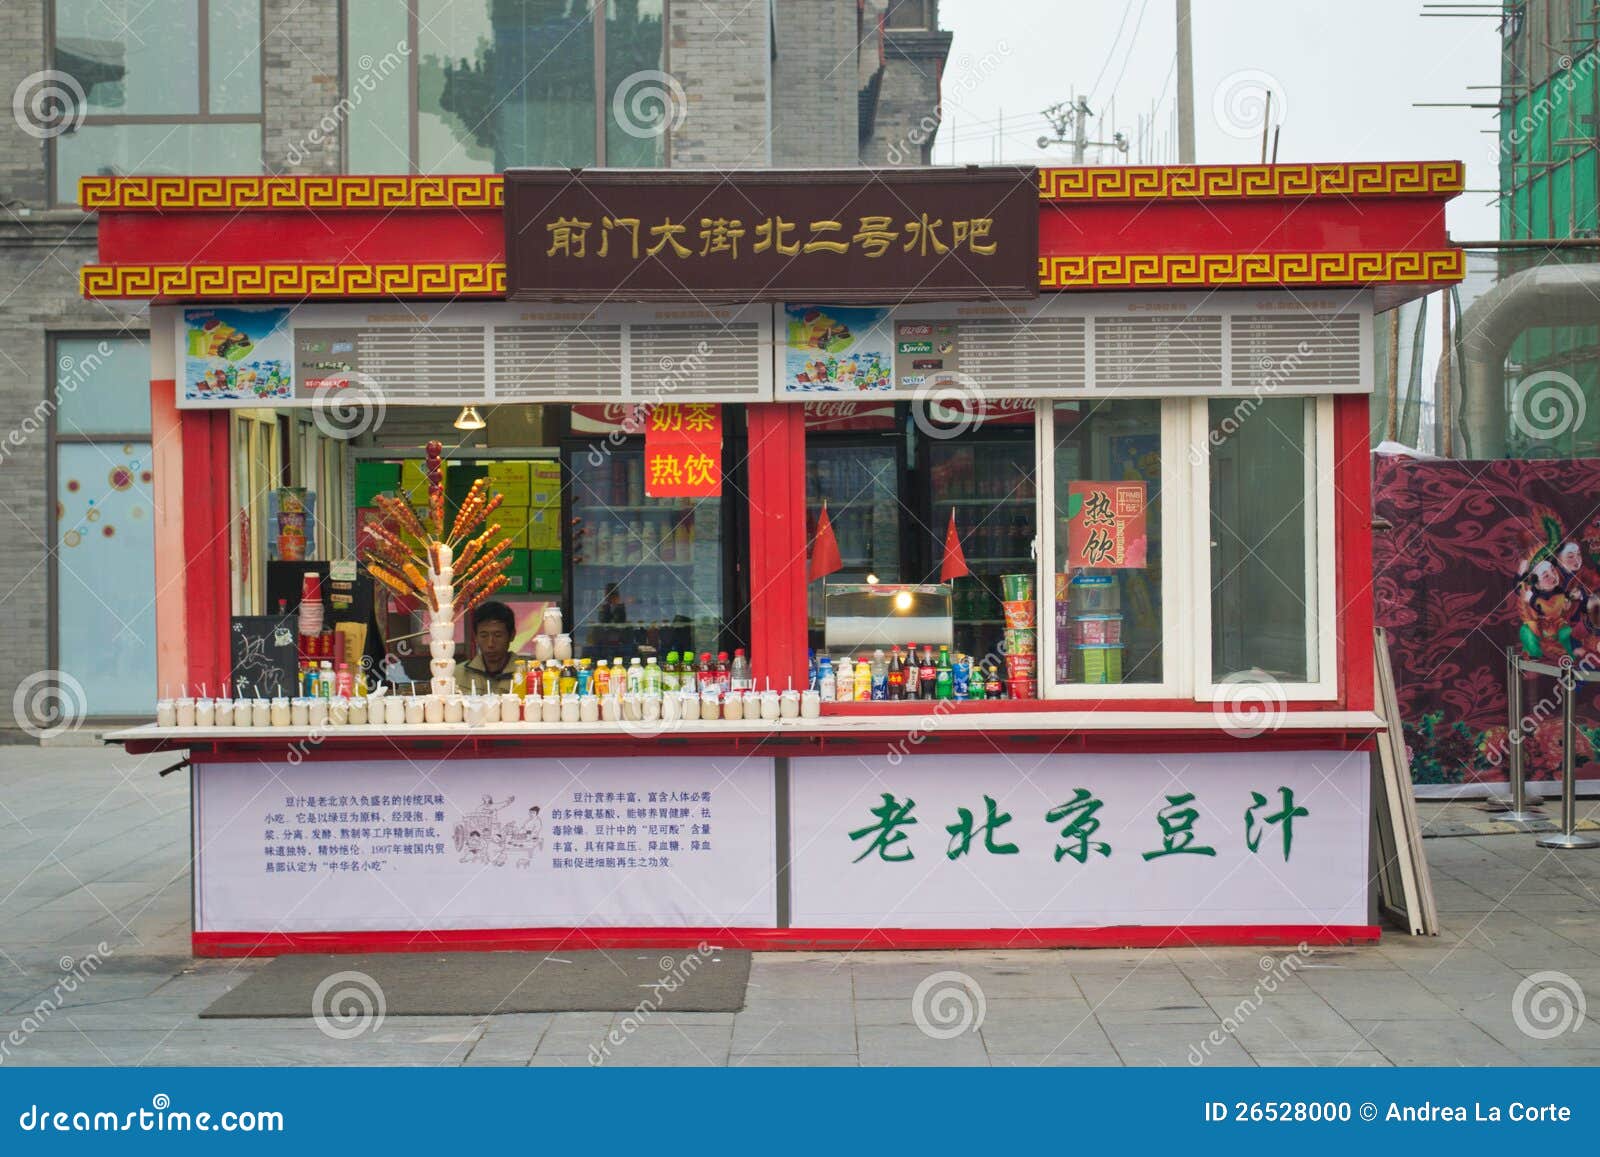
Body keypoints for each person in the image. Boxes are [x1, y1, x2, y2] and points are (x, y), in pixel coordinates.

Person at [456, 601, 519, 693]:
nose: (490, 644)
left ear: (512, 635)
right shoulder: (457, 674)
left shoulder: (527, 675)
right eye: (484, 635)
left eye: (498, 635)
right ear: (475, 637)